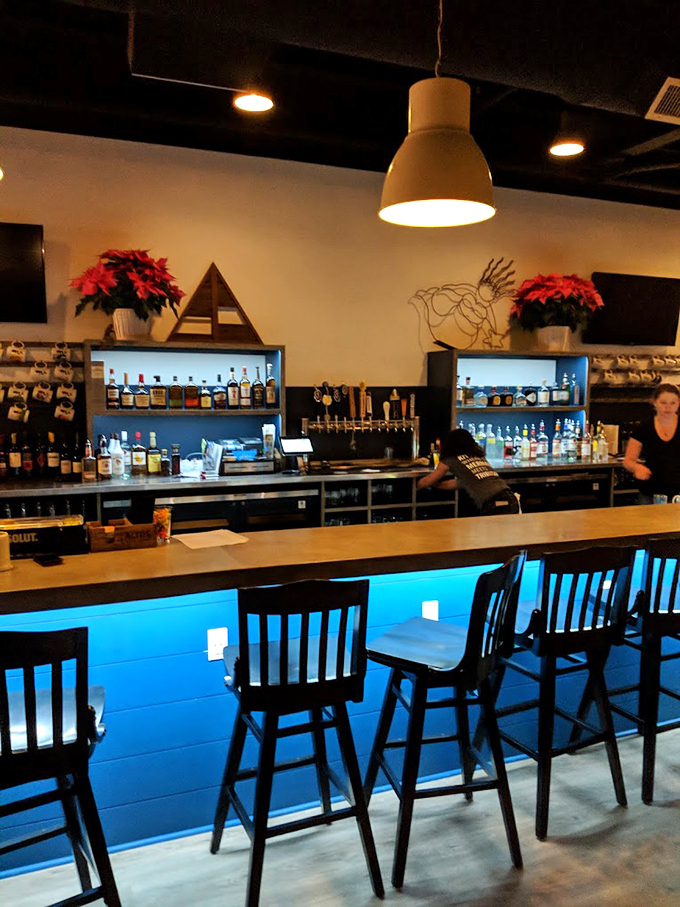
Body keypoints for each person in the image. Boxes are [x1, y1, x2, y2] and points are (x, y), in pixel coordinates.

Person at [417, 427, 520, 515]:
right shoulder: (478, 457)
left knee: (491, 537)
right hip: (511, 499)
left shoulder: (451, 459)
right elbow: (461, 483)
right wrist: (438, 485)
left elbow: (428, 481)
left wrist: (418, 484)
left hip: (495, 503)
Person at [623, 382, 680, 503]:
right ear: (654, 402)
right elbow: (628, 461)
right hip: (651, 492)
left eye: (672, 403)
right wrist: (637, 468)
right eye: (663, 403)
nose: (668, 407)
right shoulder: (644, 427)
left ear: (678, 404)